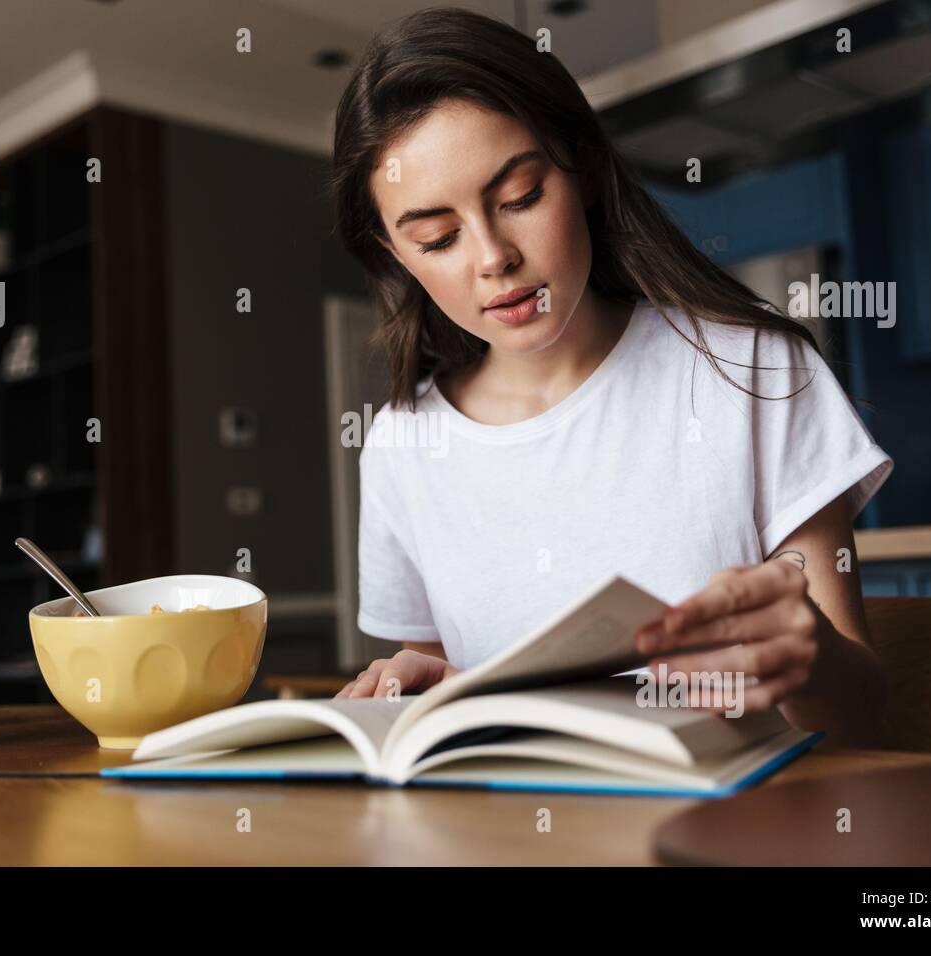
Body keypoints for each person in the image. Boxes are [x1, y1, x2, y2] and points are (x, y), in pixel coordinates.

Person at [326, 8, 893, 746]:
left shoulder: (749, 370)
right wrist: (406, 689)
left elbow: (857, 714)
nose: (494, 256)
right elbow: (436, 692)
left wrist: (808, 660)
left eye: (522, 197)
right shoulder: (403, 445)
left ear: (583, 170)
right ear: (396, 253)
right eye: (437, 237)